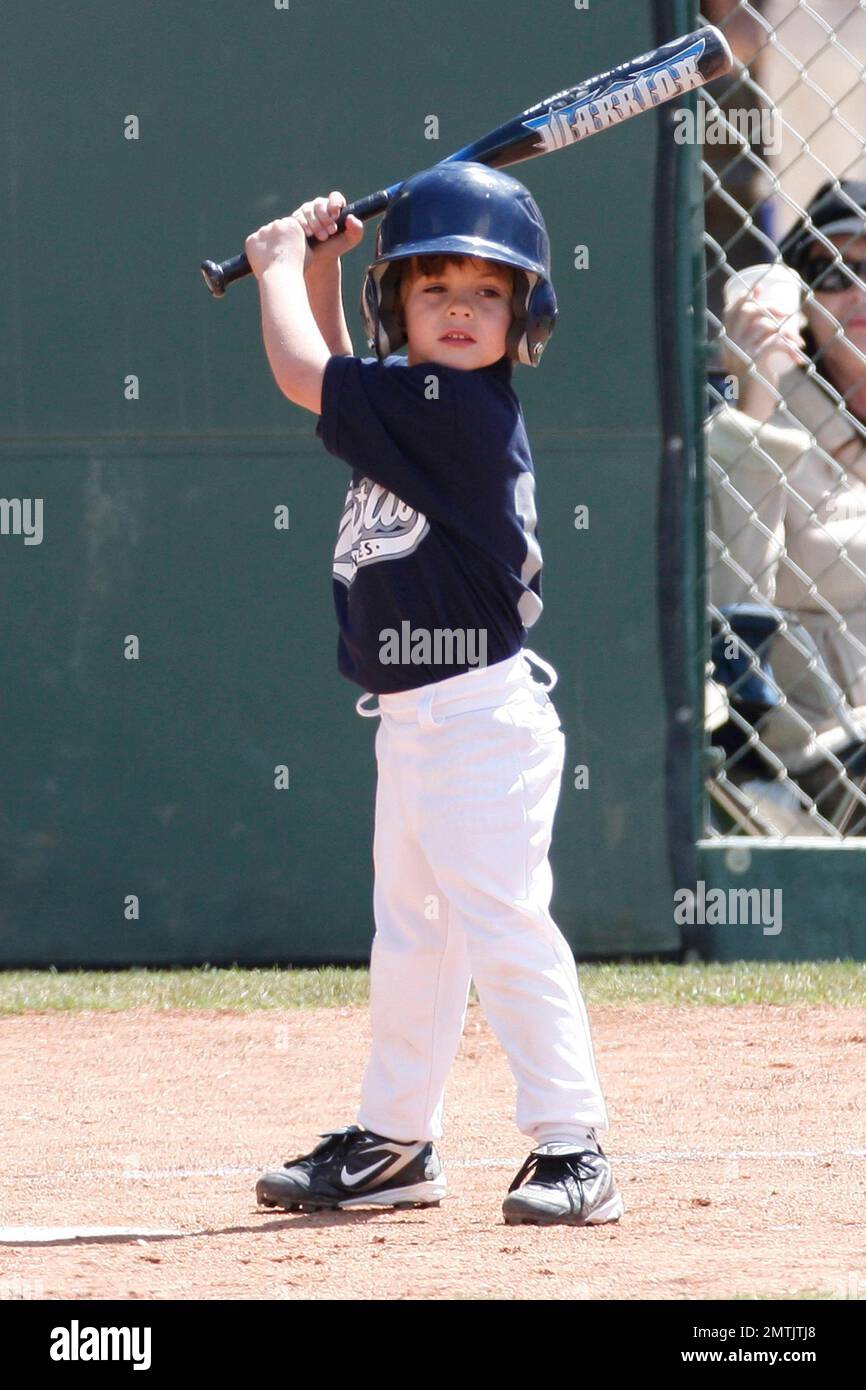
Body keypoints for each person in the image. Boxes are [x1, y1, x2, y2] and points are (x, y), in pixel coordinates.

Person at [242, 162, 623, 1226]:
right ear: (396, 305)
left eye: (488, 291)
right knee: (412, 936)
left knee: (504, 926)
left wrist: (276, 266)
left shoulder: (453, 409)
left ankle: (572, 1143)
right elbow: (345, 378)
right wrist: (325, 267)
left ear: (523, 315)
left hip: (479, 721)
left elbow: (306, 374)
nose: (461, 308)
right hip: (416, 721)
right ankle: (395, 1142)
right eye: (434, 287)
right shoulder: (415, 402)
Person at [708, 178, 866, 805]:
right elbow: (735, 590)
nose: (857, 292)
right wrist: (758, 385)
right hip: (832, 743)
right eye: (831, 272)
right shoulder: (771, 417)